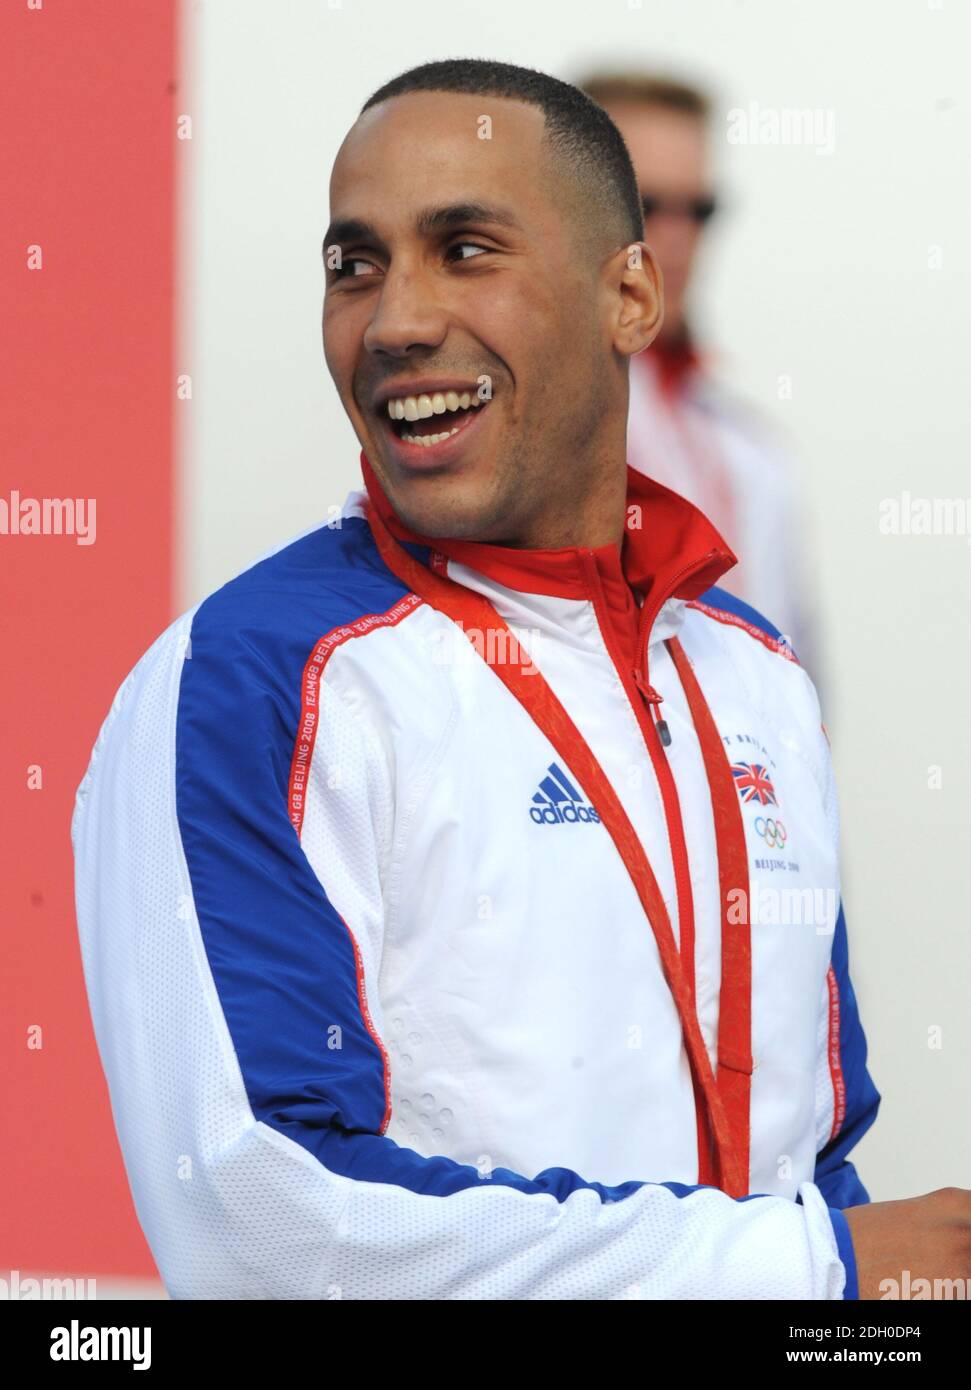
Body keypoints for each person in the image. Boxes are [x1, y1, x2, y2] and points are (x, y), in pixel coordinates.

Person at [72, 58, 965, 1301]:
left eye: (465, 248)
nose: (393, 320)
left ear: (630, 295)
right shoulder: (248, 681)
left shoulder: (753, 678)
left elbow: (802, 1166)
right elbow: (264, 1225)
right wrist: (806, 1266)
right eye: (355, 264)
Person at [577, 72, 820, 680]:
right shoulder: (523, 432)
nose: (678, 238)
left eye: (700, 209)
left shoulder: (755, 449)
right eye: (647, 206)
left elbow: (802, 691)